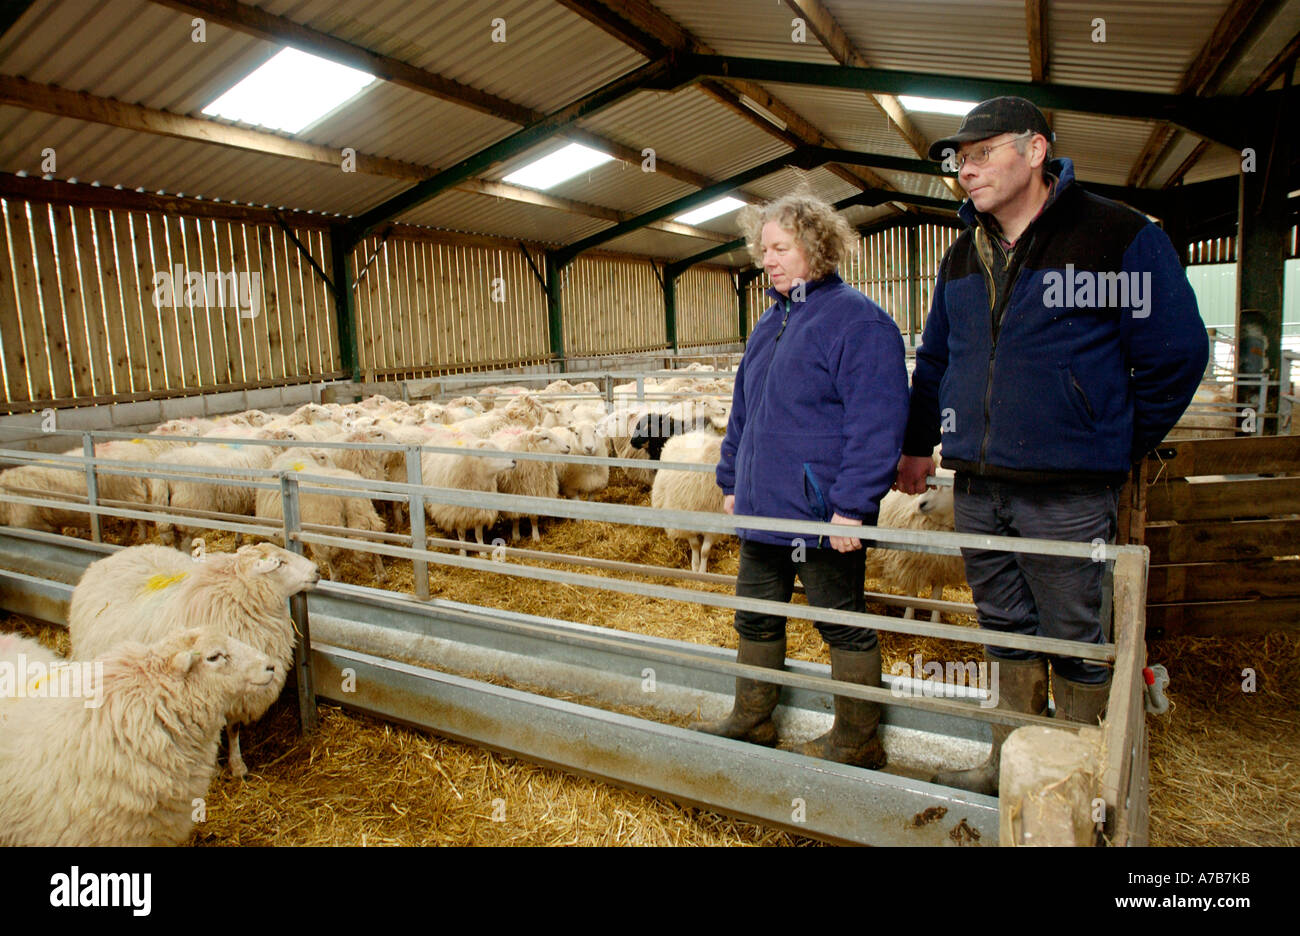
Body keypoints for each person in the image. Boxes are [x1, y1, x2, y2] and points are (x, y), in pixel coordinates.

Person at [896, 97, 1208, 793]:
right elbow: (938, 359)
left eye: (980, 154)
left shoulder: (1116, 235)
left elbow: (1178, 354)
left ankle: (1079, 783)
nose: (964, 171)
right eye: (959, 160)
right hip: (976, 484)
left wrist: (1110, 440)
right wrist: (920, 442)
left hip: (1067, 490)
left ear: (1034, 151)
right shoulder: (961, 255)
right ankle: (1013, 766)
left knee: (1072, 632)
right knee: (1004, 628)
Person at [694, 192, 909, 768]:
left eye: (780, 248)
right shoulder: (771, 322)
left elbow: (877, 423)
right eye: (763, 249)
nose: (766, 259)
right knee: (755, 613)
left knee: (840, 622)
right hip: (764, 509)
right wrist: (732, 479)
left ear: (816, 247)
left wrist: (852, 508)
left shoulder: (859, 323)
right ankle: (753, 718)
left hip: (821, 515)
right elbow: (744, 412)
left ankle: (858, 739)